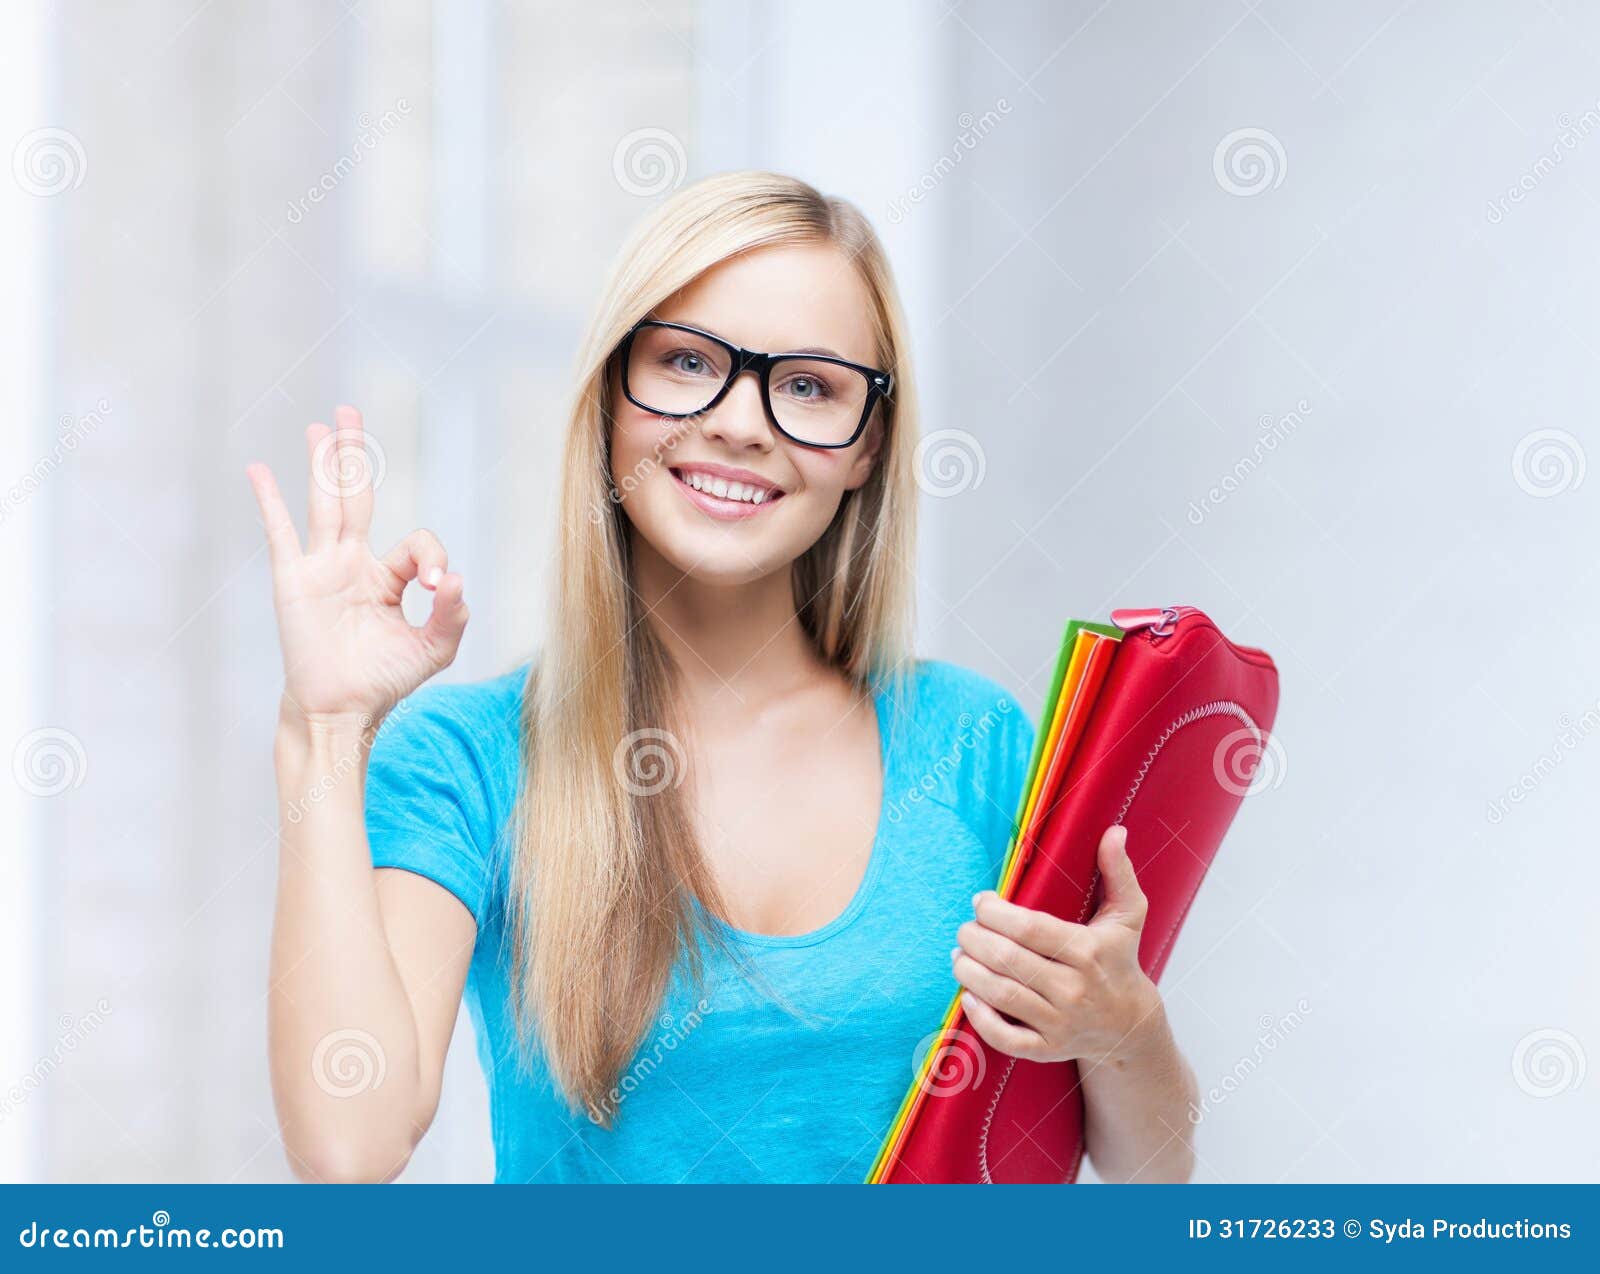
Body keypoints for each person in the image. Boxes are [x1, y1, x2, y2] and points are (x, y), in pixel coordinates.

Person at [246, 170, 1197, 1184]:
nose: (742, 423)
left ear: (867, 447)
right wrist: (326, 729)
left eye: (809, 385)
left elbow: (1152, 1177)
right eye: (688, 360)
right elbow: (349, 1146)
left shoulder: (975, 739)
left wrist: (1125, 1029)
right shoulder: (468, 759)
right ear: (611, 396)